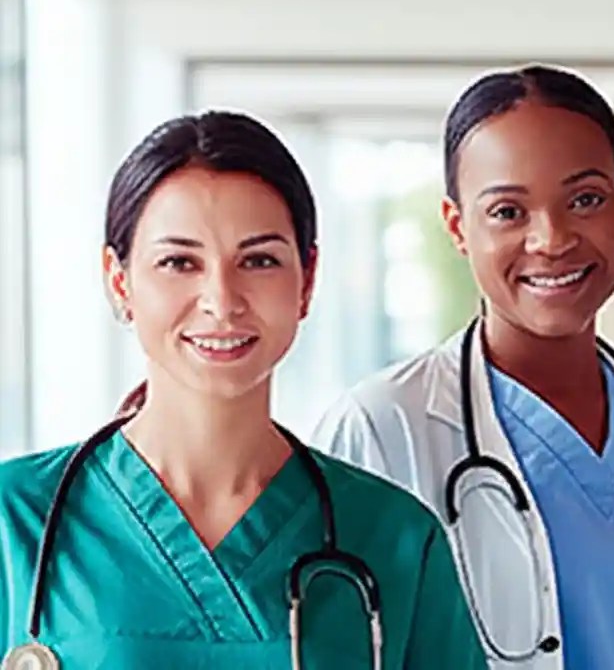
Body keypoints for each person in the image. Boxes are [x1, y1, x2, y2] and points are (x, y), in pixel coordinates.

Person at [313, 64, 614, 670]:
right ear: (458, 227)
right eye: (507, 212)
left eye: (585, 200)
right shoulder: (383, 427)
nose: (551, 239)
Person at [0, 111, 486, 669]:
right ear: (119, 281)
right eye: (179, 262)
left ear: (306, 280)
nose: (221, 299)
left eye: (258, 260)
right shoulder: (14, 523)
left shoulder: (395, 539)